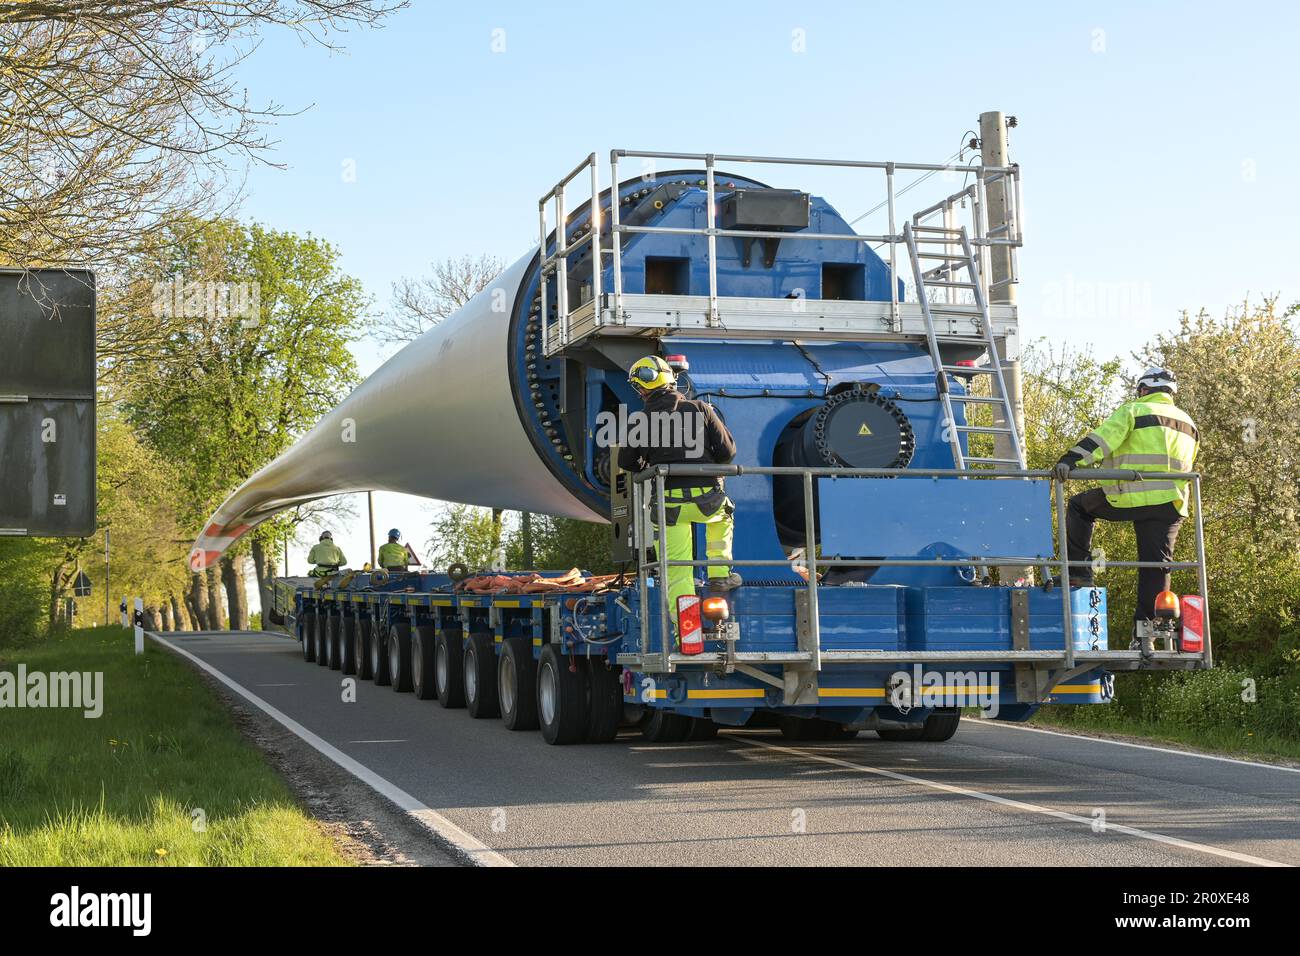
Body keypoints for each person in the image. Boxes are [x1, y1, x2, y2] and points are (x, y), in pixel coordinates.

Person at [1054, 366, 1199, 638]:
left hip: (1129, 495)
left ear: (1143, 390)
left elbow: (1101, 441)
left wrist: (1070, 460)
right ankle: (1146, 633)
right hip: (1170, 504)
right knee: (1156, 565)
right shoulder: (1189, 423)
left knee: (1079, 507)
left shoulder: (1134, 410)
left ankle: (1079, 573)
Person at [617, 354, 740, 638]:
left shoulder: (640, 421)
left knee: (677, 571)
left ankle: (688, 633)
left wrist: (647, 466)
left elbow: (627, 462)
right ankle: (720, 574)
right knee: (723, 517)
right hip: (707, 500)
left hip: (669, 507)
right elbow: (728, 453)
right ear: (671, 378)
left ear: (641, 389)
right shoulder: (701, 409)